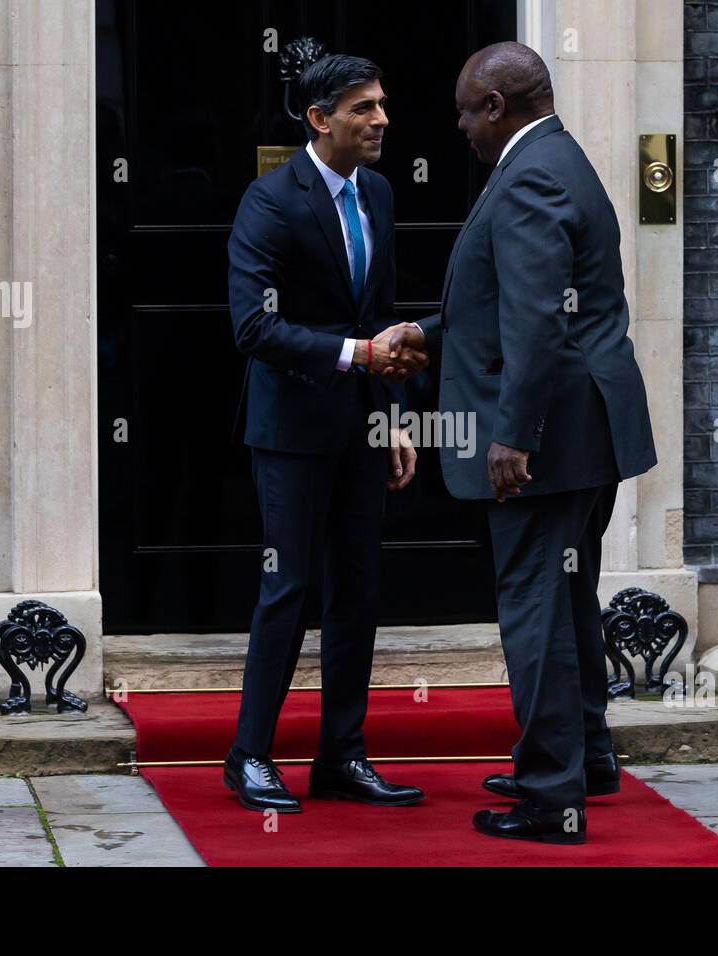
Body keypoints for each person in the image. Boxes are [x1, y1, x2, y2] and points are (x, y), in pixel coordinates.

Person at [388, 41, 658, 844]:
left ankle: (550, 795)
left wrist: (512, 436)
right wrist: (429, 335)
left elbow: (538, 321)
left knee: (534, 607)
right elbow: (511, 306)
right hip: (588, 432)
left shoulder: (529, 174)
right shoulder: (560, 158)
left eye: (466, 113)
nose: (461, 129)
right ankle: (587, 758)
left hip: (549, 440)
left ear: (495, 107)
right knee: (570, 594)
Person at [225, 53, 428, 813]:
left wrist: (395, 416)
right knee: (289, 587)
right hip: (289, 431)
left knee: (359, 591)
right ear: (318, 119)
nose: (380, 119)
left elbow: (380, 312)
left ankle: (342, 755)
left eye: (381, 104)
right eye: (363, 108)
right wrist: (355, 355)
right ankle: (248, 755)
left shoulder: (377, 191)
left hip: (361, 427)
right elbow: (253, 327)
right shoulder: (270, 202)